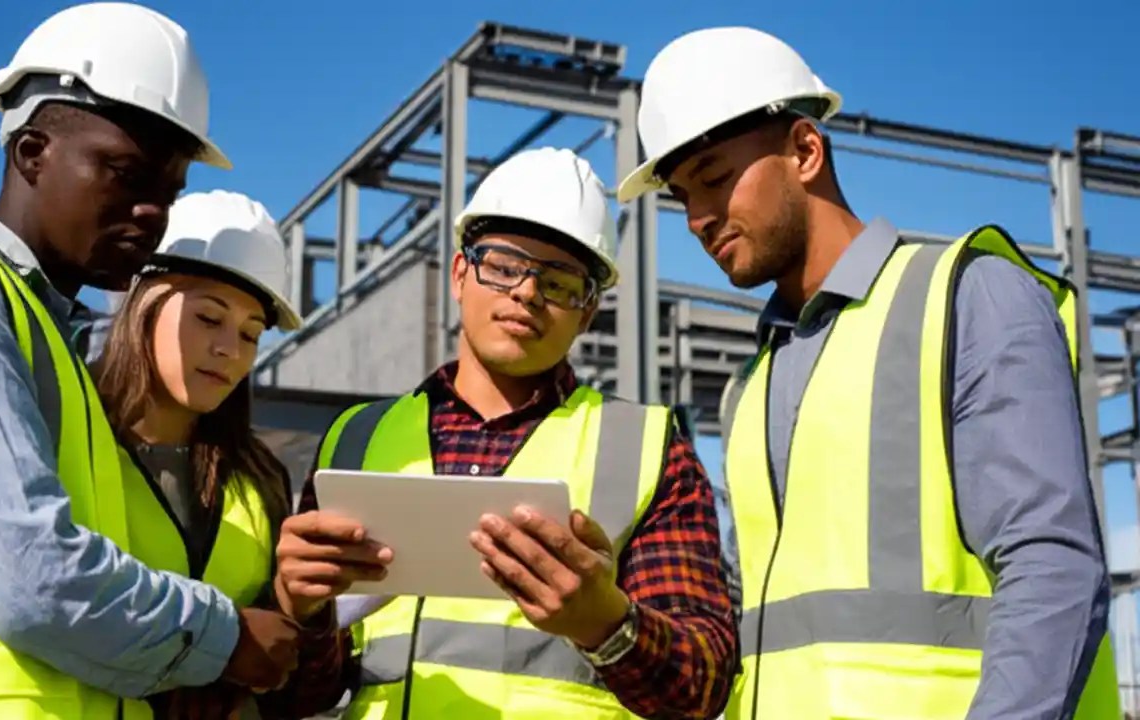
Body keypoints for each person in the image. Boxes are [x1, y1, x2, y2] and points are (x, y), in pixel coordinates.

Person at [616, 25, 1123, 720]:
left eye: (714, 178)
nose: (699, 218)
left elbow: (1053, 570)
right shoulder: (755, 384)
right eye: (680, 196)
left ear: (804, 149)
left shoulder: (970, 297)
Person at [0, 4, 298, 719]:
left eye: (169, 191)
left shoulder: (58, 346)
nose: (153, 213)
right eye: (126, 175)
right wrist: (225, 635)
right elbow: (29, 579)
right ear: (33, 152)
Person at [271, 147, 740, 719]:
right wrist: (302, 613)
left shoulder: (647, 449)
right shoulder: (356, 439)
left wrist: (607, 624)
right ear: (460, 273)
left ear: (587, 313)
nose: (526, 292)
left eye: (561, 281)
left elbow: (701, 686)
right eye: (503, 264)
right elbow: (301, 697)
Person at [82, 189, 340, 719]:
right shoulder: (73, 445)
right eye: (208, 318)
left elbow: (296, 693)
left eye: (250, 334)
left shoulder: (257, 477)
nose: (230, 350)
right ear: (145, 303)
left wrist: (299, 610)